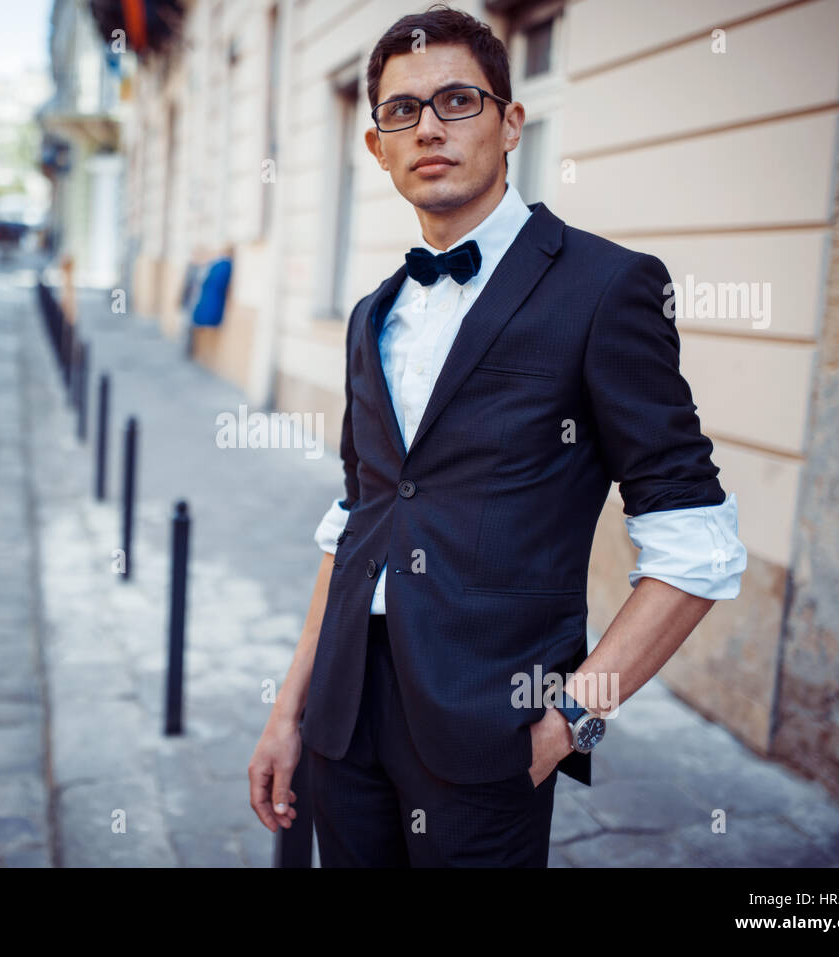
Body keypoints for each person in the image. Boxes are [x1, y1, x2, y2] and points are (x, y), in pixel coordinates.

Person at [248, 4, 747, 867]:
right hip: (341, 711)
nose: (428, 127)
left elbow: (696, 543)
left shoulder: (605, 288)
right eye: (401, 111)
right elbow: (355, 517)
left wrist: (568, 725)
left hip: (491, 730)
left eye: (457, 101)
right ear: (377, 147)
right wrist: (288, 709)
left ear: (512, 122)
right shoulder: (373, 315)